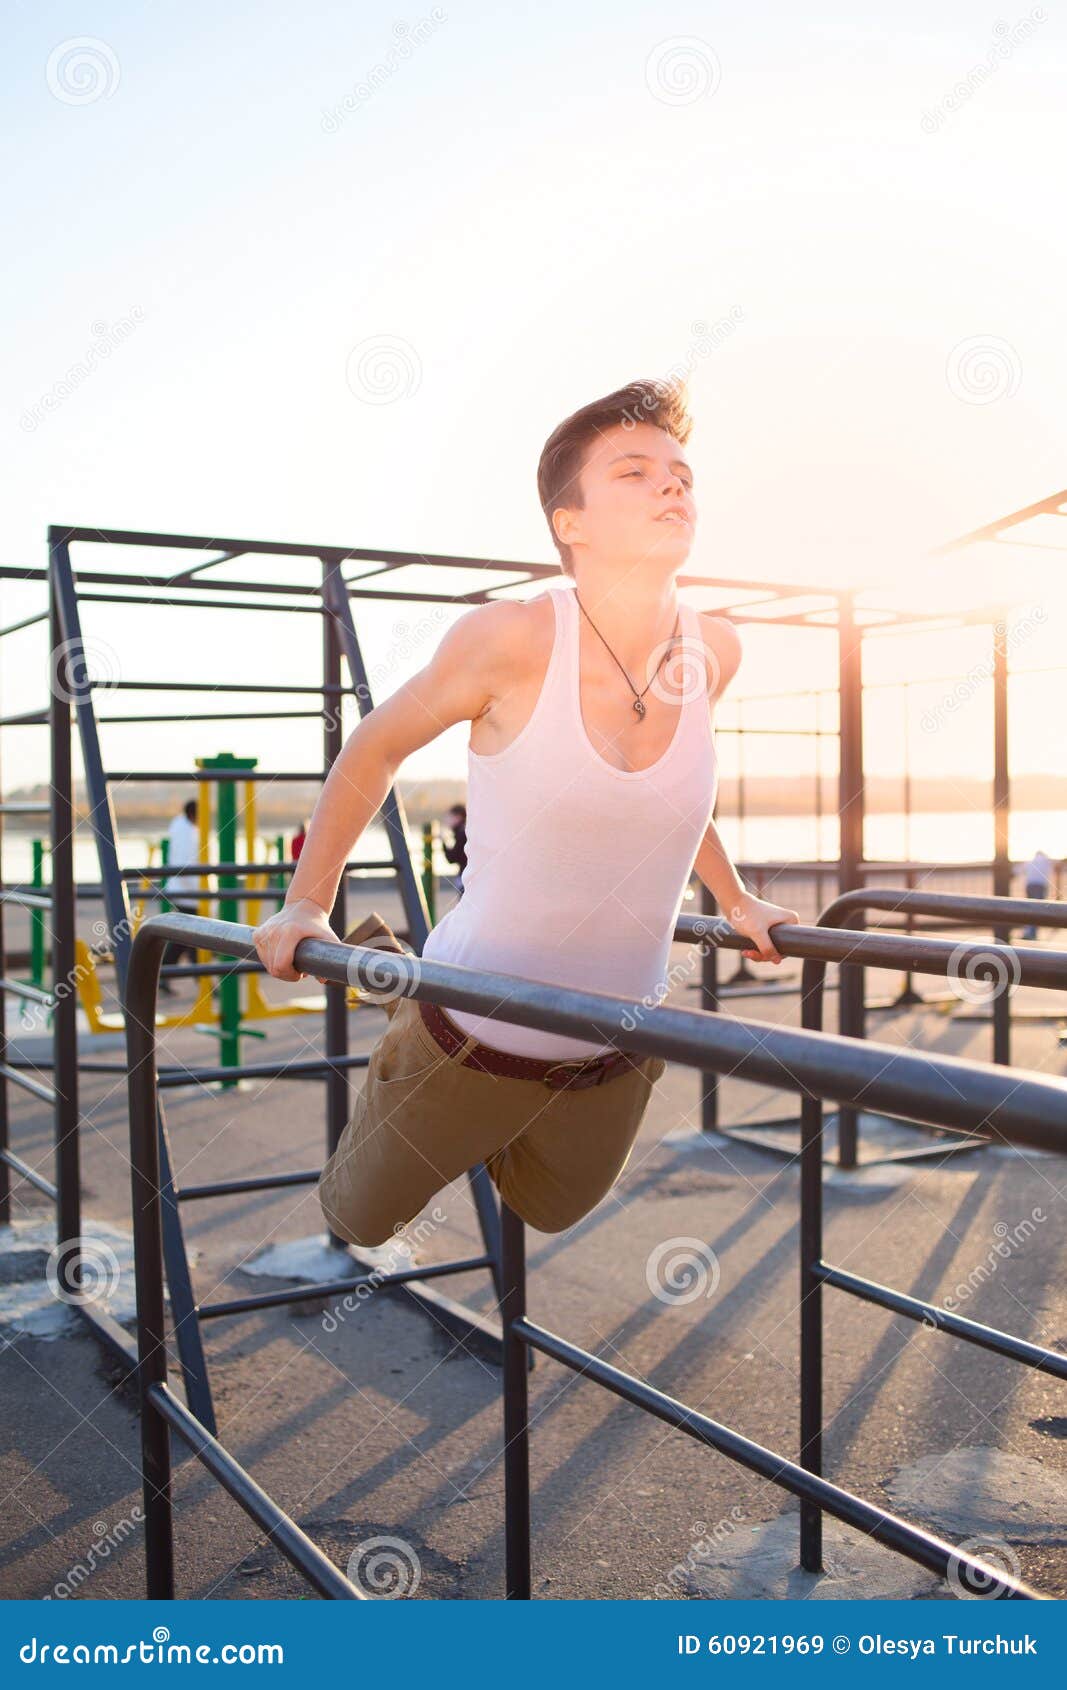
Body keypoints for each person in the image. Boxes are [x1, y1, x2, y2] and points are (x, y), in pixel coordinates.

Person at [252, 378, 799, 1243]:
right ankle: (402, 997)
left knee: (554, 1211)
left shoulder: (716, 650)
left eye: (681, 473)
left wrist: (735, 902)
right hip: (468, 1029)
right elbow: (374, 748)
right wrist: (307, 903)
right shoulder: (509, 639)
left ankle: (435, 1037)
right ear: (568, 523)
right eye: (633, 472)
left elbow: (670, 802)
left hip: (615, 1044)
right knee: (358, 1220)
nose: (672, 485)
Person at [159, 798, 201, 994]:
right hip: (188, 891)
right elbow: (187, 864)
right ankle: (202, 977)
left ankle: (201, 977)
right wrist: (201, 891)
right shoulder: (187, 833)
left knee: (187, 937)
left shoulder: (181, 827)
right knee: (190, 936)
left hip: (183, 889)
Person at [1021, 847, 1053, 941]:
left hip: (1029, 885)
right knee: (1037, 910)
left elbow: (1021, 869)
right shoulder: (1046, 860)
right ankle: (1032, 934)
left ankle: (1028, 932)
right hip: (1040, 885)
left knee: (1029, 908)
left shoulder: (1031, 861)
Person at [441, 803, 467, 899]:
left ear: (458, 817)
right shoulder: (464, 832)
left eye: (450, 817)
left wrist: (443, 842)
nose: (447, 820)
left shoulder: (462, 834)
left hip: (465, 880)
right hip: (466, 879)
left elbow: (452, 858)